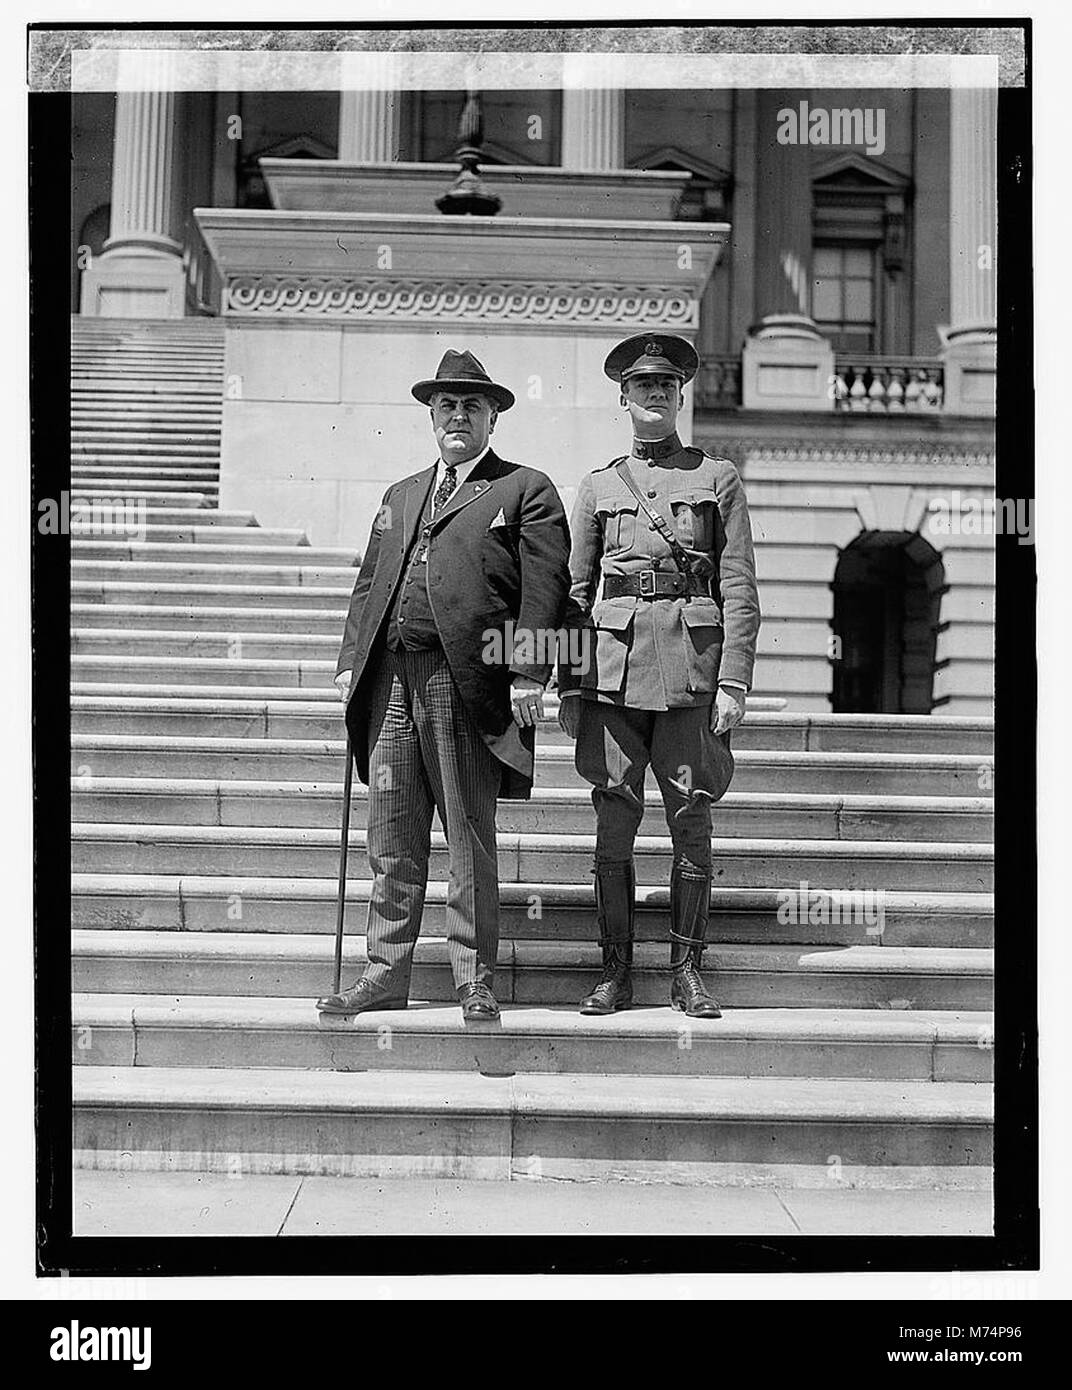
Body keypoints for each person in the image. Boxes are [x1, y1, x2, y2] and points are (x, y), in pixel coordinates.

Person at [317, 349, 571, 1022]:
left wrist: (529, 670)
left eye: (472, 406)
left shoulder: (525, 489)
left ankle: (473, 980)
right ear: (431, 417)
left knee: (468, 835)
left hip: (467, 686)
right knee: (392, 835)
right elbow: (371, 582)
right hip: (390, 684)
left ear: (493, 417)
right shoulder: (399, 495)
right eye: (446, 406)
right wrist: (350, 659)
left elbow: (546, 590)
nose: (458, 417)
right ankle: (383, 971)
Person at [557, 333, 760, 1018]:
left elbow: (738, 587)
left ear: (680, 397)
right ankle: (615, 971)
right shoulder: (597, 487)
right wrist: (567, 684)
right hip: (611, 674)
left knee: (691, 818)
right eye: (642, 386)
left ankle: (687, 971)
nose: (654, 395)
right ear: (623, 397)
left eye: (666, 386)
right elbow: (574, 593)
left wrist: (733, 681)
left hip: (690, 674)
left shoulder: (716, 478)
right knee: (613, 823)